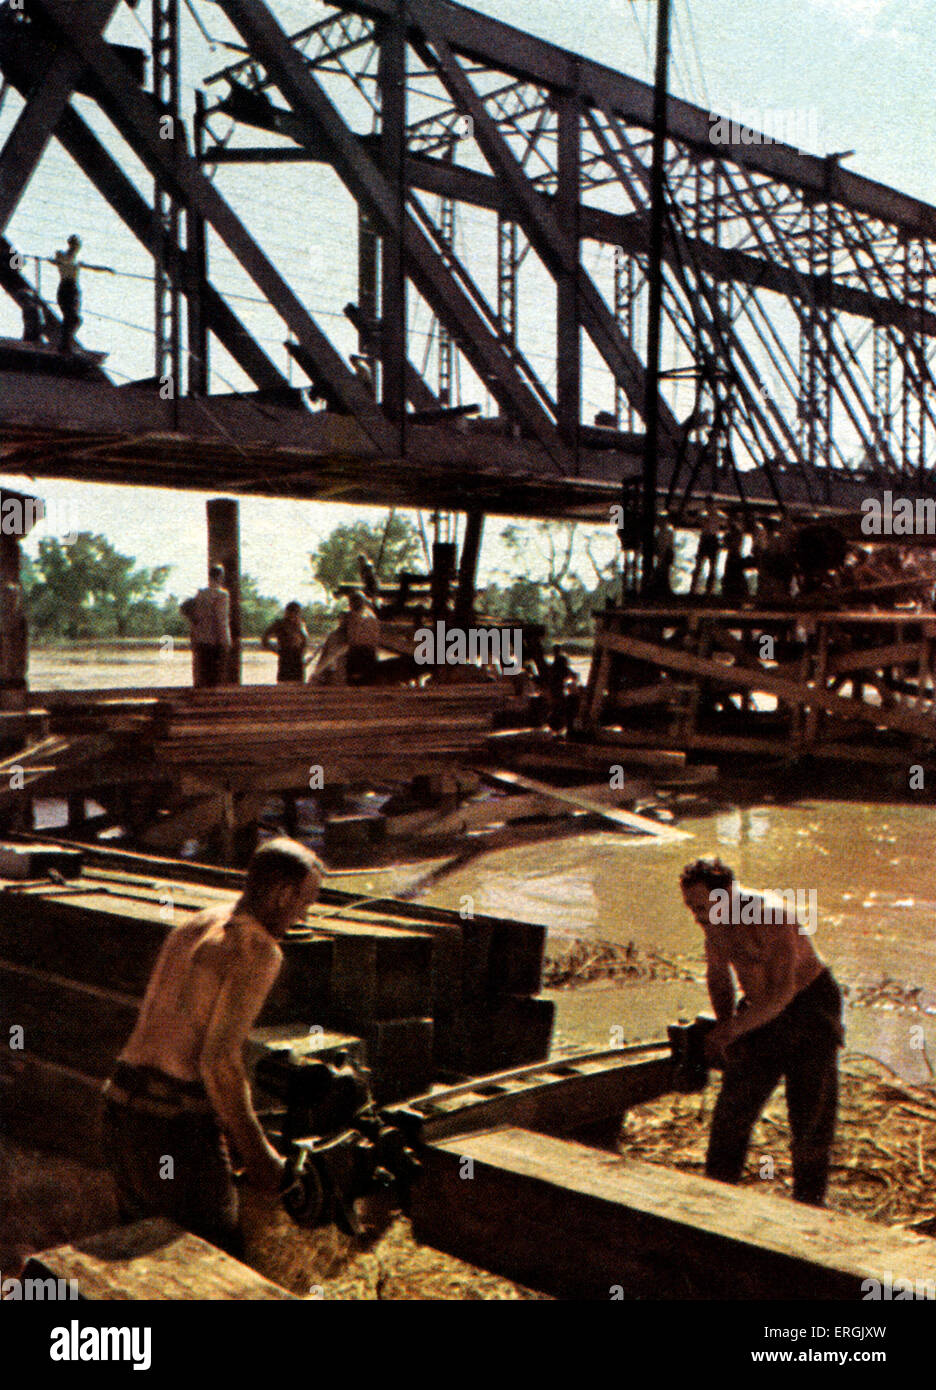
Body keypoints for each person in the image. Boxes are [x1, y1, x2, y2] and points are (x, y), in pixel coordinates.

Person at [101, 838, 324, 1254]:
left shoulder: (195, 925)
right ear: (280, 894)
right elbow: (218, 1064)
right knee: (213, 1263)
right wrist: (262, 1159)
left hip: (120, 1110)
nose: (303, 915)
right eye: (304, 902)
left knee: (147, 1262)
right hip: (171, 1130)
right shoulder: (258, 950)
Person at [680, 857, 843, 1207]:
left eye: (702, 906)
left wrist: (734, 1029)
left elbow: (782, 993)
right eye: (690, 908)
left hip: (810, 1006)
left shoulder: (770, 914)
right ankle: (716, 1195)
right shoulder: (713, 920)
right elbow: (718, 976)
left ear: (726, 896)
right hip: (759, 1009)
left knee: (810, 1113)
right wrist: (726, 1025)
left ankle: (809, 1204)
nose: (697, 916)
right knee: (733, 1109)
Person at [181, 564, 232, 687]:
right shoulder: (221, 595)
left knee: (202, 676)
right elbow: (221, 619)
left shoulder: (200, 595)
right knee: (216, 678)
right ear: (221, 577)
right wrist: (226, 641)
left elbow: (187, 610)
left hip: (200, 640)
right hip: (215, 641)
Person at [262, 601, 308, 683]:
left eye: (297, 612)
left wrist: (303, 654)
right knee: (284, 683)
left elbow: (305, 641)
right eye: (292, 611)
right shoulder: (280, 624)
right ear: (287, 612)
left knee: (298, 684)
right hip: (285, 656)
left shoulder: (300, 625)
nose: (294, 614)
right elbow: (265, 638)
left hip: (297, 658)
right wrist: (276, 650)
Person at [53, 234, 83, 354]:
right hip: (67, 287)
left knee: (72, 318)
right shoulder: (62, 255)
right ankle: (65, 344)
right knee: (72, 318)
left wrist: (105, 269)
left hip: (74, 288)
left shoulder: (74, 259)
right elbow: (59, 261)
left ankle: (65, 343)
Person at [345, 589, 380, 686]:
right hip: (360, 652)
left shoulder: (363, 617)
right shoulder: (368, 616)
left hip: (361, 652)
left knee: (360, 682)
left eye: (354, 601)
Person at [691, 496, 724, 596]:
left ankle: (707, 590)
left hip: (710, 539)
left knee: (709, 566)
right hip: (707, 539)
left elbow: (700, 522)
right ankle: (695, 589)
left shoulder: (713, 516)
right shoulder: (708, 515)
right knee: (701, 565)